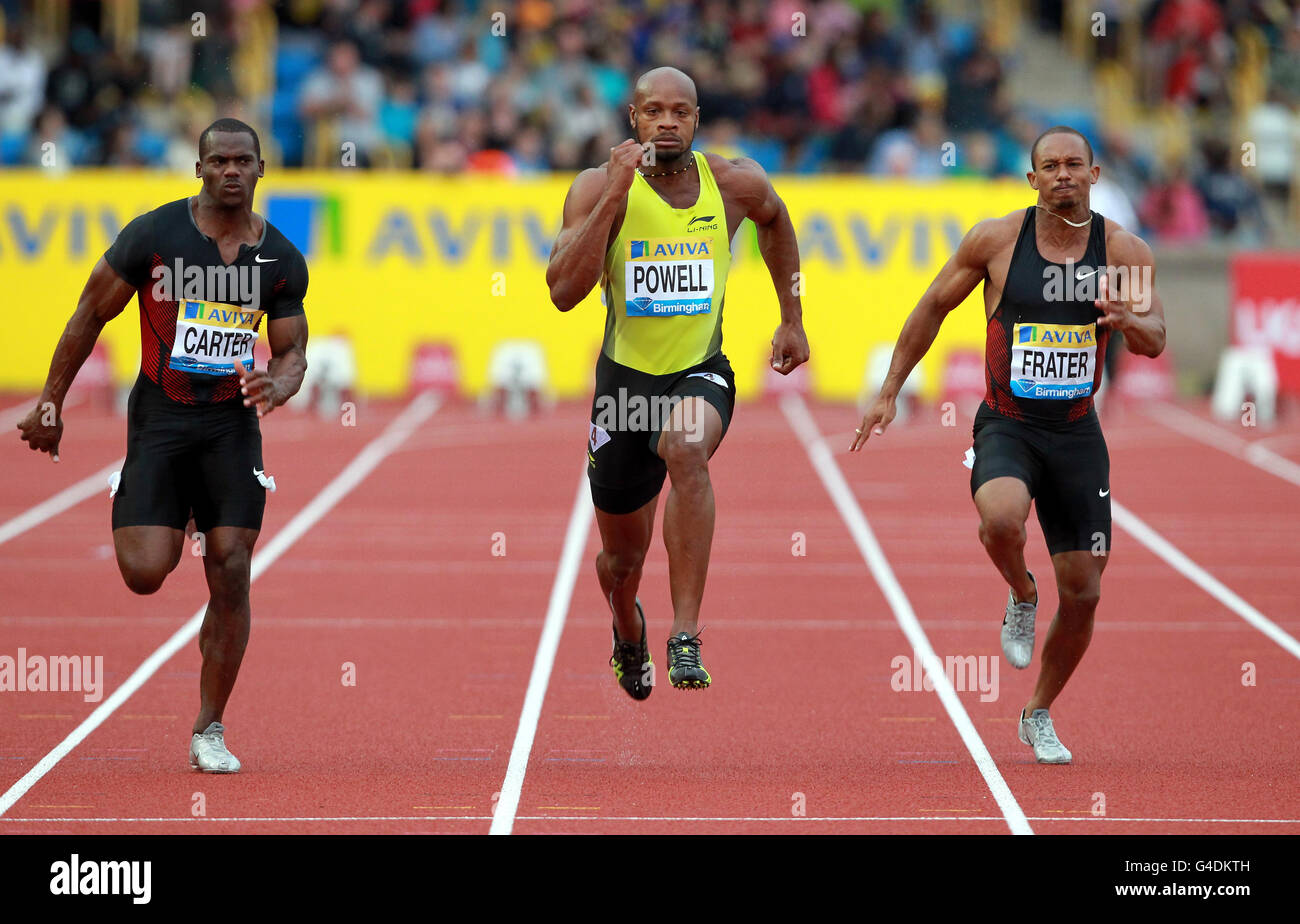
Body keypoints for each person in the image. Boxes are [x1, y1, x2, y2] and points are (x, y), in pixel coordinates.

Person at [851, 126, 1165, 762]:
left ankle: (1038, 711)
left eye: (1074, 164)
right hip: (1007, 423)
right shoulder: (995, 240)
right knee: (1000, 520)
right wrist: (889, 390)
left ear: (1095, 175)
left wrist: (1130, 321)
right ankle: (1022, 594)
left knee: (1084, 591)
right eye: (1049, 165)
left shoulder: (1125, 251)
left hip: (1077, 434)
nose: (1063, 175)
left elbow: (1154, 337)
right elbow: (932, 306)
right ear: (1032, 179)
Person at [16, 118, 309, 772]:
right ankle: (156, 498)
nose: (231, 171)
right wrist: (50, 401)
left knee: (231, 565)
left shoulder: (281, 259)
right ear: (199, 169)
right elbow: (89, 314)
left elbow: (294, 354)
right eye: (219, 161)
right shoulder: (154, 236)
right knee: (146, 572)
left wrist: (279, 384)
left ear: (261, 170)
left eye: (243, 161)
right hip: (161, 418)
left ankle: (210, 728)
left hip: (232, 424)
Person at [547, 67, 809, 698]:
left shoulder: (735, 183)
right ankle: (626, 627)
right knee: (620, 564)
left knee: (687, 447)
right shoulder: (593, 188)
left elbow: (776, 221)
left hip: (699, 371)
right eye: (653, 112)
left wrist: (792, 318)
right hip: (623, 390)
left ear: (696, 120)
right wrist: (615, 194)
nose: (667, 122)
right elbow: (562, 292)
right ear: (633, 119)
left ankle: (684, 633)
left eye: (680, 112)